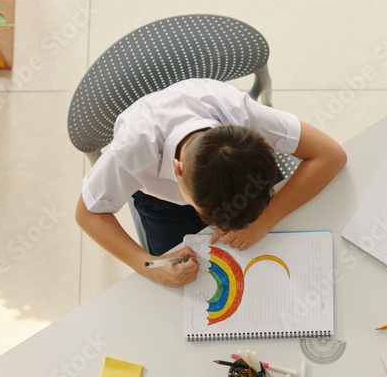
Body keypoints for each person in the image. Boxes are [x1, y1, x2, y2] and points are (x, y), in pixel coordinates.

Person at [75, 78, 347, 287]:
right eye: (215, 220)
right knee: (185, 277)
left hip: (238, 177)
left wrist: (266, 218)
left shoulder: (241, 114)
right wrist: (150, 267)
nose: (224, 230)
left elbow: (331, 155)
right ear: (177, 170)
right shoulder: (132, 151)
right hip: (162, 202)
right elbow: (87, 213)